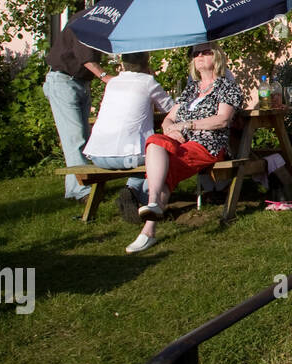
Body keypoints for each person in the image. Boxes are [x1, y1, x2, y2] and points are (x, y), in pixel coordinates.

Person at [126, 42, 243, 254]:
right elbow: (168, 119)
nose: (198, 56)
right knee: (155, 140)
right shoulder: (191, 89)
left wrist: (187, 125)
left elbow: (222, 120)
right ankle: (153, 205)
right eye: (195, 53)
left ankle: (148, 230)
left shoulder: (227, 87)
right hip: (181, 142)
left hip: (207, 144)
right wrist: (172, 129)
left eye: (204, 52)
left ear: (216, 57)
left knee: (164, 169)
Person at [83, 52, 174, 223]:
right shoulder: (148, 82)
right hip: (128, 157)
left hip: (98, 156)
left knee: (146, 155)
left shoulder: (113, 83)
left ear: (123, 64)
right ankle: (142, 195)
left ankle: (131, 190)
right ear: (147, 64)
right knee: (159, 156)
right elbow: (170, 109)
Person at [44, 19, 114, 203]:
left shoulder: (97, 21)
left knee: (81, 136)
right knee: (75, 138)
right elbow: (86, 59)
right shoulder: (86, 21)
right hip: (63, 81)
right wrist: (107, 78)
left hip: (80, 82)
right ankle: (82, 191)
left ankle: (73, 188)